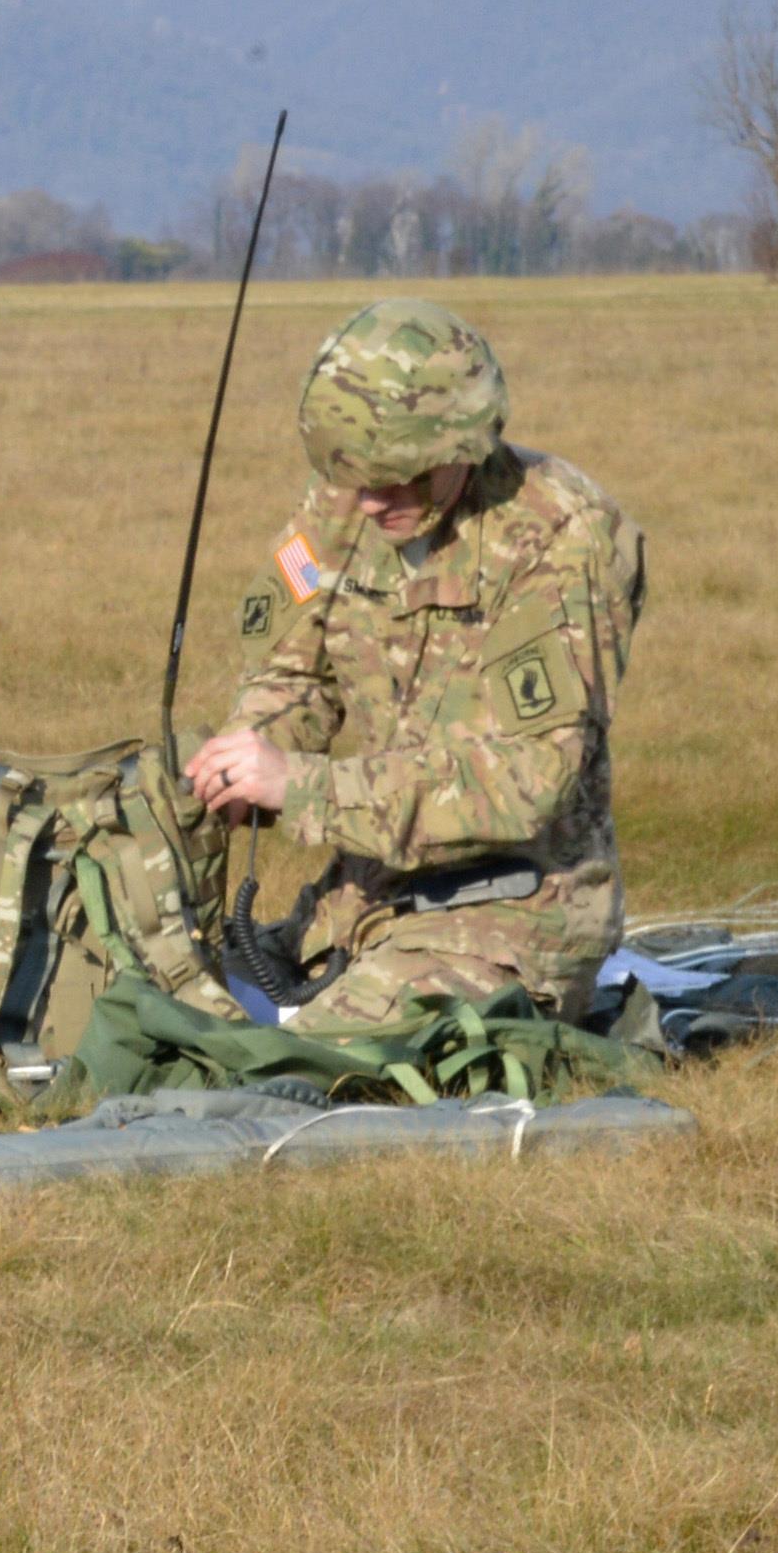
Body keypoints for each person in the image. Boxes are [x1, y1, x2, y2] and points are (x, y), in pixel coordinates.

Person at [180, 298, 646, 1027]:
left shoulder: (559, 538)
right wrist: (243, 763)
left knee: (287, 1065)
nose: (366, 504)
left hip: (515, 920)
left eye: (392, 479)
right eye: (352, 478)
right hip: (362, 902)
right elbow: (291, 672)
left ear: (457, 447)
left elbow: (530, 778)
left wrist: (301, 787)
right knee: (170, 997)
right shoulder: (343, 505)